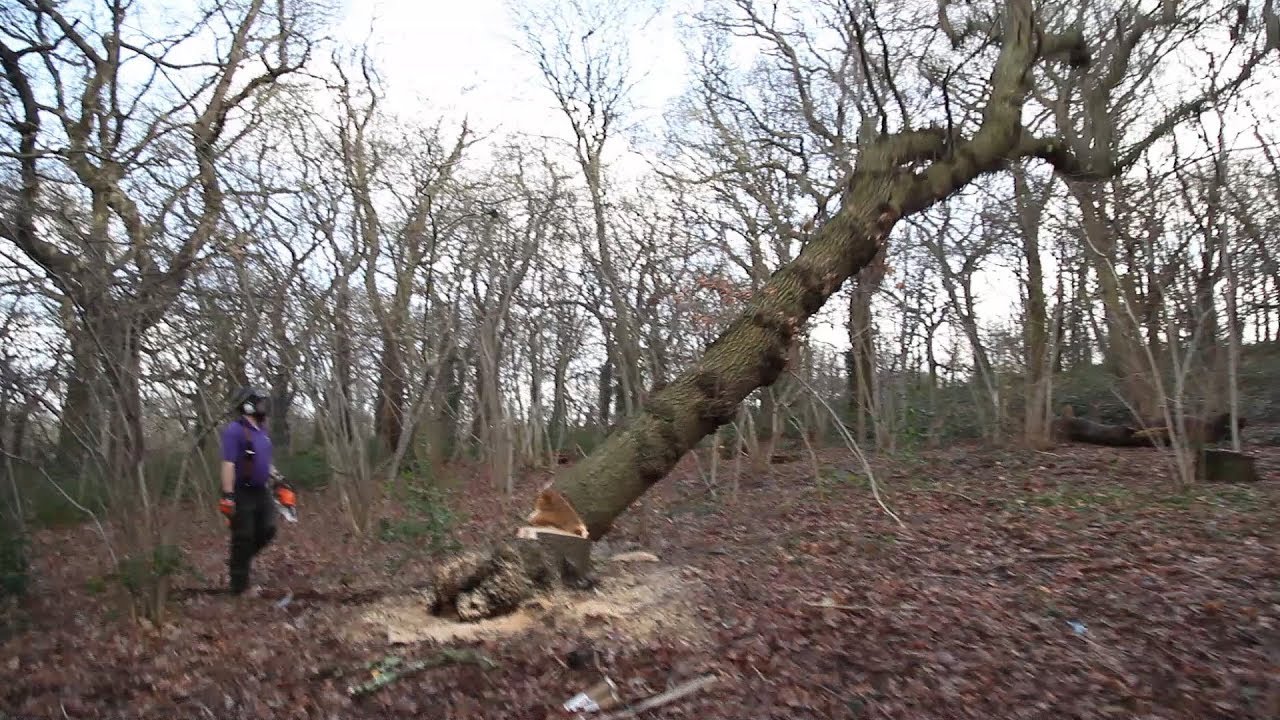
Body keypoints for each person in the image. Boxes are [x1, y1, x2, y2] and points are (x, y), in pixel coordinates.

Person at [219, 386, 293, 595]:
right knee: (243, 536)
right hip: (241, 491)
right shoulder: (234, 431)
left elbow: (264, 462)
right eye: (259, 402)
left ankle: (239, 560)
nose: (263, 406)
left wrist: (279, 479)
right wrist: (228, 495)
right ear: (248, 405)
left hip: (261, 490)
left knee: (269, 528)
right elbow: (228, 464)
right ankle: (239, 588)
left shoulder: (261, 431)